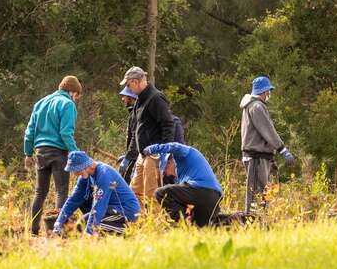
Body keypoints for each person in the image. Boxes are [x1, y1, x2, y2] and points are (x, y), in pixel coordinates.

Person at [24, 76, 82, 235]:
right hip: (58, 153)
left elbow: (29, 132)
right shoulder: (67, 104)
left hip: (40, 152)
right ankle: (59, 230)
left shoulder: (40, 103)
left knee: (39, 192)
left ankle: (33, 230)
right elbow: (66, 133)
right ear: (72, 92)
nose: (76, 99)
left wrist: (28, 153)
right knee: (61, 191)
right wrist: (76, 153)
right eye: (77, 96)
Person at [118, 66, 177, 196]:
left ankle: (154, 211)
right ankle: (138, 211)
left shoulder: (156, 98)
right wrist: (129, 156)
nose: (128, 88)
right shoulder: (140, 100)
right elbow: (137, 129)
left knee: (151, 194)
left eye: (128, 85)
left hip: (154, 155)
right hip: (142, 155)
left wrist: (164, 153)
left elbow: (168, 124)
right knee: (134, 193)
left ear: (135, 82)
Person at [240, 75, 294, 213]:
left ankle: (261, 219)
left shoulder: (253, 106)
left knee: (263, 192)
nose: (269, 93)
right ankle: (252, 221)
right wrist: (282, 149)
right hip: (256, 158)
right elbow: (268, 131)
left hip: (259, 157)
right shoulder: (257, 106)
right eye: (269, 90)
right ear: (264, 91)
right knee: (256, 193)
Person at [53, 150, 141, 235]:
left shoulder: (104, 174)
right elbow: (73, 199)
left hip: (127, 211)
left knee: (83, 224)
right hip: (110, 208)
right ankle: (98, 229)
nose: (74, 174)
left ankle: (129, 230)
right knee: (82, 215)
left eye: (76, 171)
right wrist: (58, 222)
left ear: (85, 167)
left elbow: (99, 205)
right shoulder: (85, 176)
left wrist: (89, 231)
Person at [143, 141, 222, 226]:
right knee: (203, 226)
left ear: (168, 163)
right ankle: (233, 219)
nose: (168, 175)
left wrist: (152, 149)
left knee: (160, 193)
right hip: (214, 197)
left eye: (165, 172)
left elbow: (175, 146)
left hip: (202, 190)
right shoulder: (183, 174)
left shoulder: (183, 154)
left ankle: (185, 224)